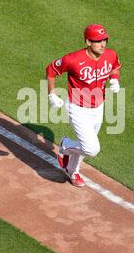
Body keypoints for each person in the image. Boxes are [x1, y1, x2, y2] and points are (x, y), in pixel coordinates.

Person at [45, 24, 122, 187]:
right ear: (88, 41)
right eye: (98, 41)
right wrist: (51, 94)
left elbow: (115, 67)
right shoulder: (73, 59)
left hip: (98, 107)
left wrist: (115, 79)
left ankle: (72, 171)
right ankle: (65, 145)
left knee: (85, 146)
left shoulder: (110, 55)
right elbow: (51, 69)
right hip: (77, 108)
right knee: (91, 148)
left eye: (104, 40)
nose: (102, 44)